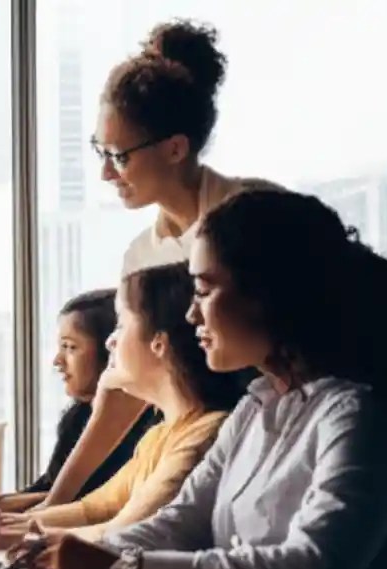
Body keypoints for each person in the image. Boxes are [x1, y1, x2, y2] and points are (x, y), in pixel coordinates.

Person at [36, 191, 387, 569]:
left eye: (205, 290)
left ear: (267, 294)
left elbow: (312, 568)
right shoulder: (256, 407)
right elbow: (182, 521)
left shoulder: (360, 414)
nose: (190, 313)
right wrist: (79, 554)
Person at [44, 19, 279, 512]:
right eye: (99, 152)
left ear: (175, 149)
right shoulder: (142, 257)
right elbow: (122, 390)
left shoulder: (256, 215)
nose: (106, 173)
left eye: (118, 156)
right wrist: (51, 502)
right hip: (197, 456)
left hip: (273, 449)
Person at [0, 263, 242, 547]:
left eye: (121, 324)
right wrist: (16, 522)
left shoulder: (206, 434)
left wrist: (32, 534)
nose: (110, 340)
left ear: (159, 343)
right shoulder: (159, 435)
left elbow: (127, 529)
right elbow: (94, 508)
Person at [0, 289, 157, 514]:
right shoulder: (76, 417)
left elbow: (88, 499)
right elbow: (51, 488)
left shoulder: (151, 427)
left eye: (70, 347)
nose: (57, 360)